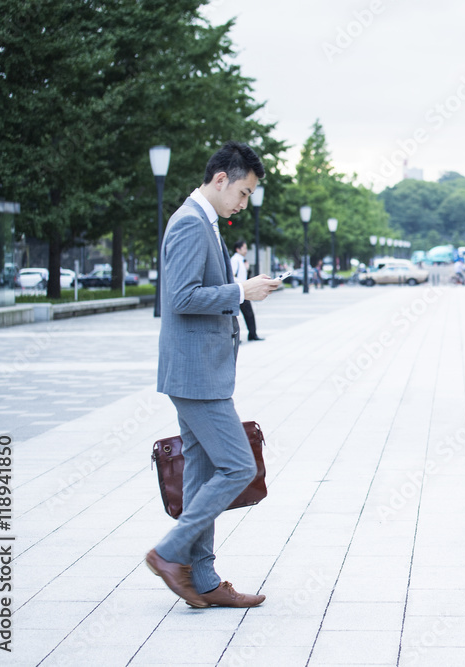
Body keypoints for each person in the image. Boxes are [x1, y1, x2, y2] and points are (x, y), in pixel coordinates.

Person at [147, 141, 281, 608]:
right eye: (242, 193)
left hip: (200, 370)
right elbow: (181, 297)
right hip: (195, 373)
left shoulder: (204, 221)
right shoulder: (189, 223)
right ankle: (169, 552)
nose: (244, 204)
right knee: (239, 465)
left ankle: (203, 579)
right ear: (221, 179)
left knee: (202, 475)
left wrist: (239, 291)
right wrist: (240, 290)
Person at [230, 240, 262, 341]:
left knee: (248, 313)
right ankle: (241, 336)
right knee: (237, 315)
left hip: (243, 290)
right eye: (244, 248)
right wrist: (241, 284)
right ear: (238, 249)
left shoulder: (242, 260)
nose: (246, 250)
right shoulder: (235, 260)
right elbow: (232, 275)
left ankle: (252, 334)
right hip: (238, 290)